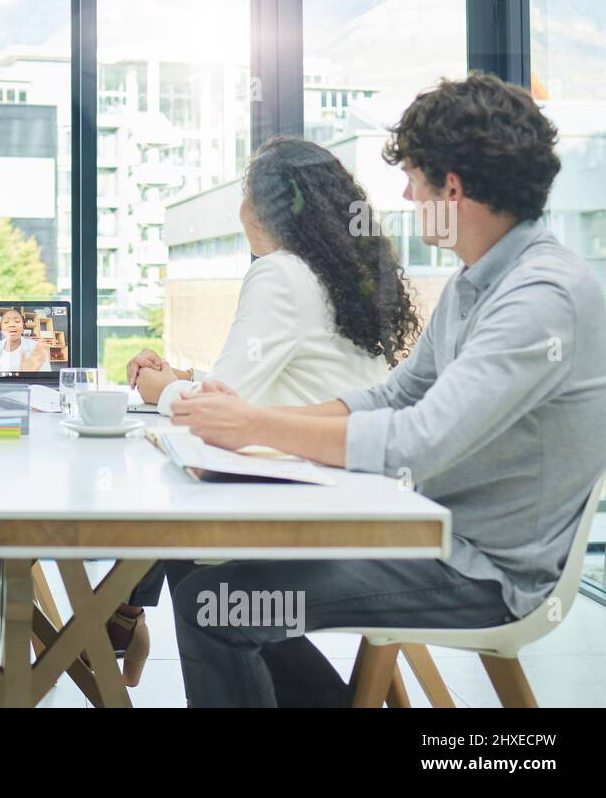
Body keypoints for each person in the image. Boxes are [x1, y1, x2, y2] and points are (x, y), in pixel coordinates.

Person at [166, 73, 606, 707]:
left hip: (482, 572)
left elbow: (416, 443)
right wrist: (249, 418)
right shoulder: (475, 280)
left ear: (450, 188)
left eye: (415, 178)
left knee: (216, 605)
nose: (403, 191)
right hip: (426, 533)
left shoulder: (541, 297)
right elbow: (394, 397)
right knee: (204, 581)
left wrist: (256, 428)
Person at [110, 136, 422, 687]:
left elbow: (215, 413)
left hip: (309, 497)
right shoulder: (347, 272)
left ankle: (118, 615)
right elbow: (281, 385)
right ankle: (121, 614)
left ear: (256, 209)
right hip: (354, 485)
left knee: (185, 524)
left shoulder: (280, 271)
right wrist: (186, 377)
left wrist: (160, 388)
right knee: (190, 543)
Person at [0, 308, 53, 372]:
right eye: (6, 322)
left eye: (16, 321)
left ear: (23, 327)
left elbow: (45, 384)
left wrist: (30, 376)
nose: (12, 325)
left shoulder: (36, 349)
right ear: (1, 328)